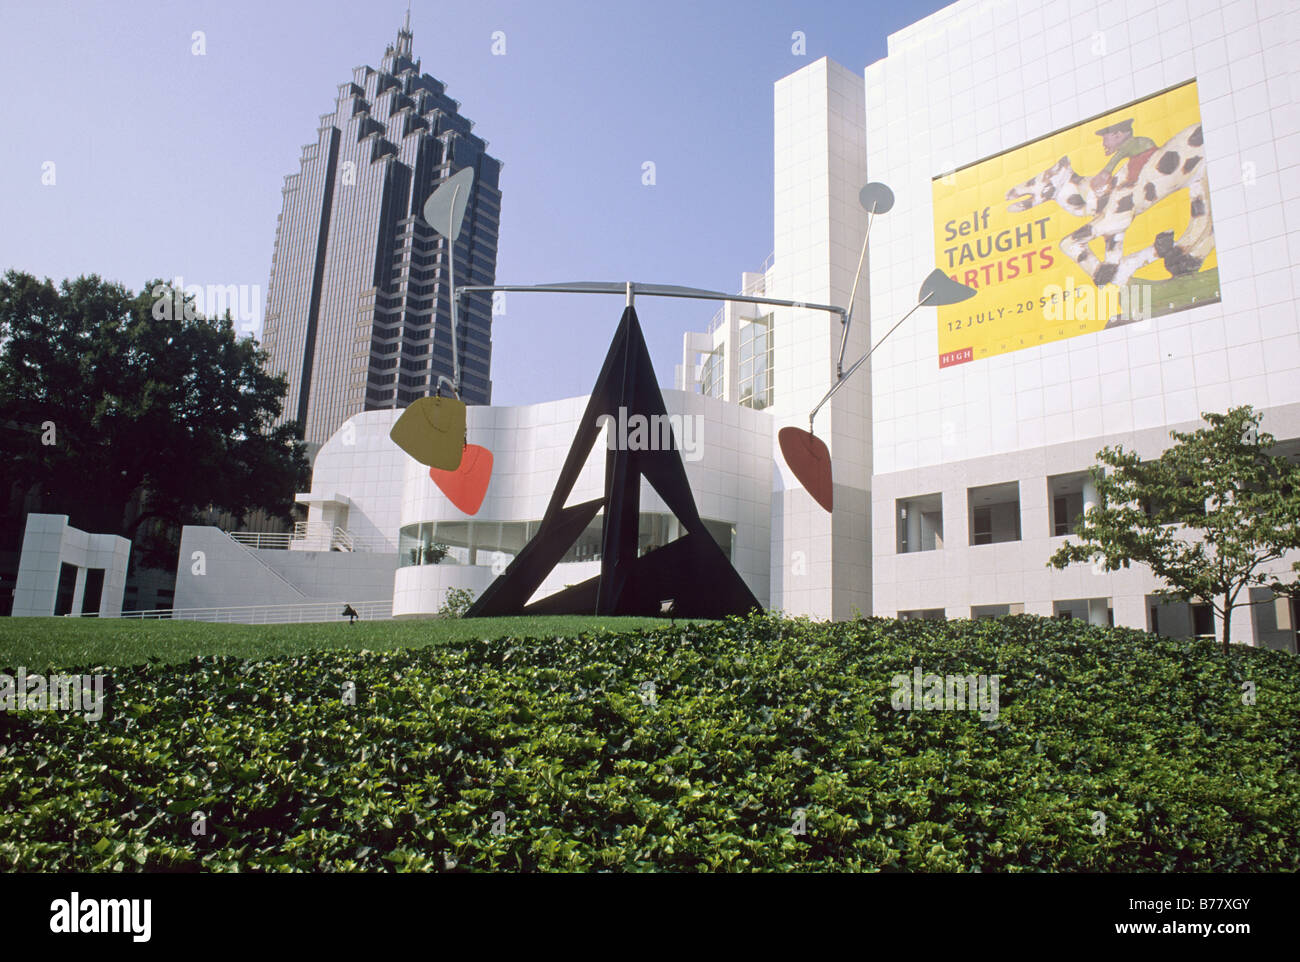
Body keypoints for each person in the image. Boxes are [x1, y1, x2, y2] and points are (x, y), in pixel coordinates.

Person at [1089, 119, 1157, 193]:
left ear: (1118, 135)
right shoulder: (1129, 147)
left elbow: (1117, 158)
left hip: (1146, 157)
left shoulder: (1129, 144)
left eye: (1105, 139)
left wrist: (1104, 174)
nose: (1103, 143)